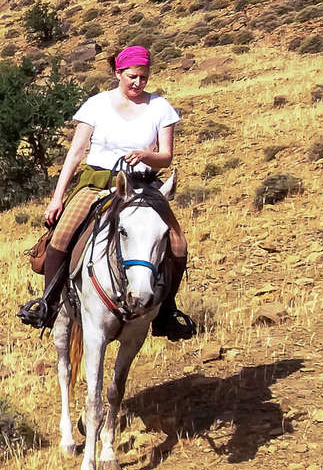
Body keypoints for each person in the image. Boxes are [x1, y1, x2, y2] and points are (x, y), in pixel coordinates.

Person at [17, 45, 194, 340]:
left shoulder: (160, 108)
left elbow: (166, 157)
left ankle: (166, 313)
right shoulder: (96, 105)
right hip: (97, 182)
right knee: (60, 238)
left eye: (144, 78)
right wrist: (57, 197)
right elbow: (75, 154)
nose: (138, 83)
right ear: (118, 73)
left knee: (178, 244)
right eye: (132, 77)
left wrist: (146, 156)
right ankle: (48, 304)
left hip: (141, 184)